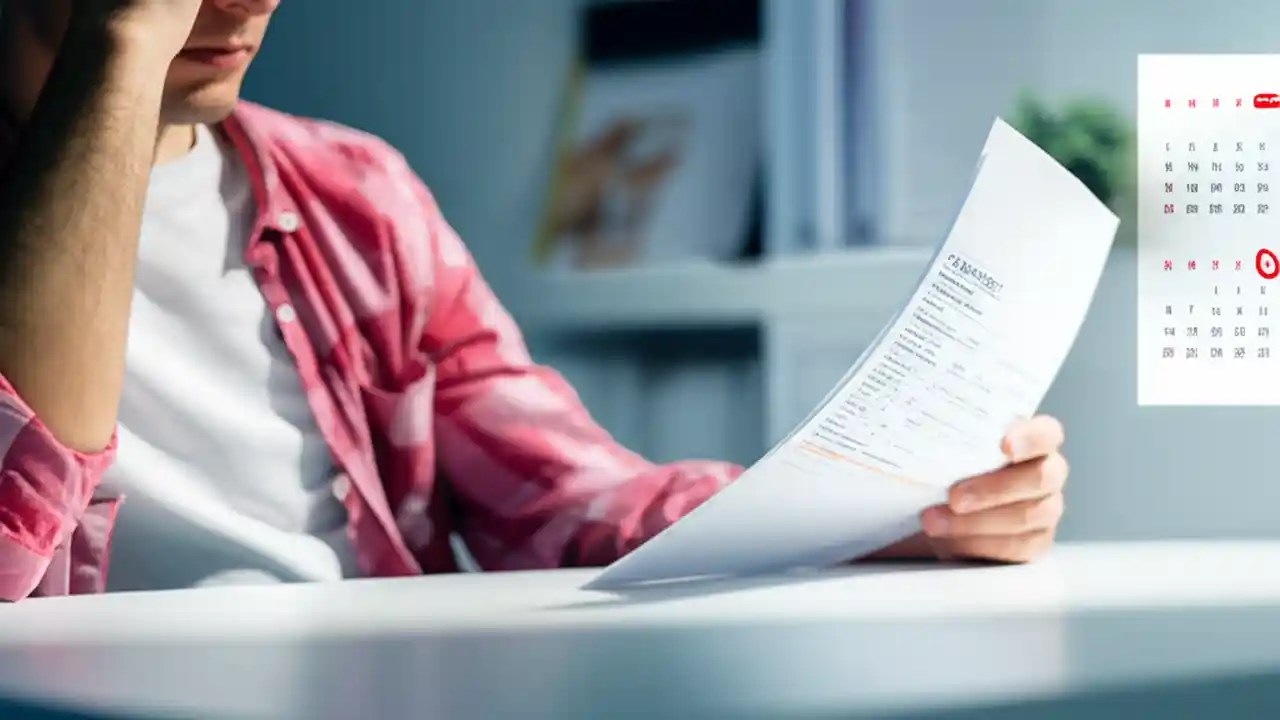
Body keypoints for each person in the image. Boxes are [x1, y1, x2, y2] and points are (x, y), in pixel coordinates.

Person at [0, 0, 1069, 601]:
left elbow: (565, 497)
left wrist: (872, 519)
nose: (246, 3)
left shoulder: (355, 197)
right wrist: (121, 38)